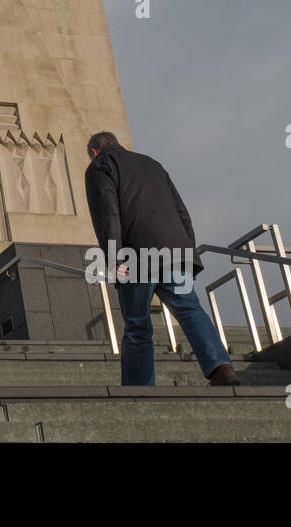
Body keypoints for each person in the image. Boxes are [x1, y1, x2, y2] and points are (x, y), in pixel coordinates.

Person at [83, 131, 240, 387]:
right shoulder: (153, 164)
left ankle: (139, 387)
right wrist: (189, 254)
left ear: (94, 152)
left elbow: (107, 214)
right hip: (174, 252)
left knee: (137, 325)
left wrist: (114, 259)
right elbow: (181, 212)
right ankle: (222, 367)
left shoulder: (100, 167)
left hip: (136, 255)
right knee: (190, 310)